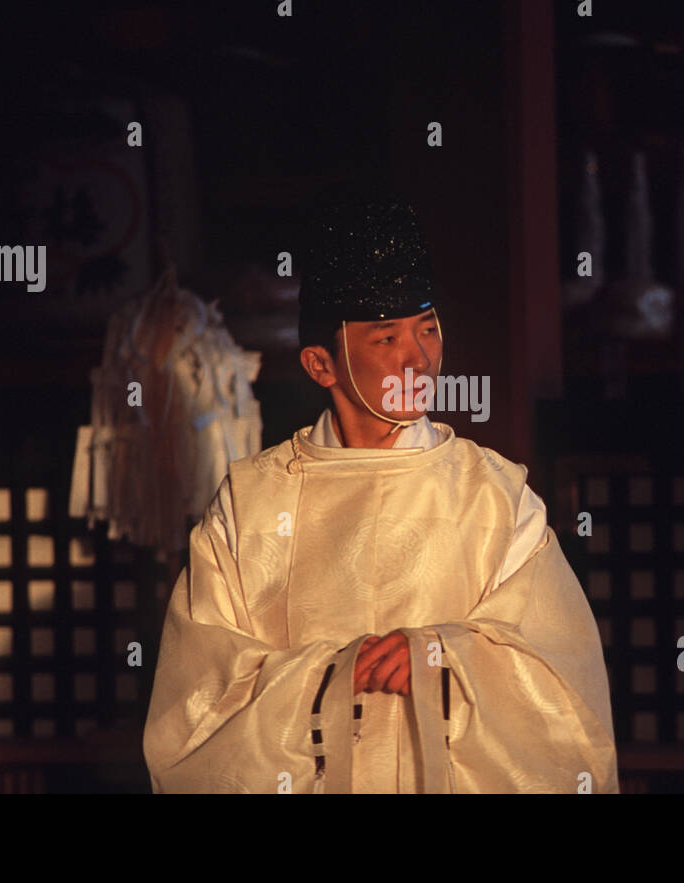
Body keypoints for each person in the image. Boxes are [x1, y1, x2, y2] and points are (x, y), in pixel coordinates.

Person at [143, 189, 618, 793]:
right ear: (322, 365)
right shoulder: (251, 505)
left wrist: (444, 661)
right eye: (387, 339)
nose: (419, 359)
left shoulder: (494, 496)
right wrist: (330, 677)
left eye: (427, 330)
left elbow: (563, 685)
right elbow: (196, 700)